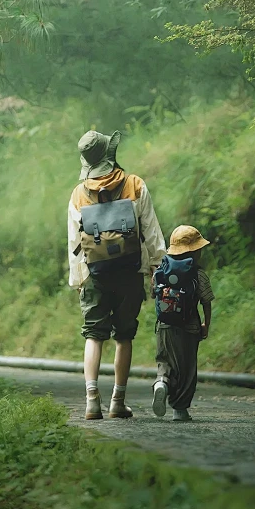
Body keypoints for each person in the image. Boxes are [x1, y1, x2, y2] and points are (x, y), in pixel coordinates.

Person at [68, 129, 165, 420]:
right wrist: (156, 270)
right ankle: (117, 402)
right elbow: (152, 233)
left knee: (94, 336)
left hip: (94, 274)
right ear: (110, 154)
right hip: (130, 271)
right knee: (124, 336)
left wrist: (79, 281)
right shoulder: (135, 184)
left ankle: (91, 401)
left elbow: (74, 243)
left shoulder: (78, 194)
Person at [151, 225, 215, 422]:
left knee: (165, 360)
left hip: (164, 326)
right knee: (186, 368)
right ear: (195, 251)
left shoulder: (160, 270)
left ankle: (161, 383)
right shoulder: (198, 274)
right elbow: (206, 302)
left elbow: (154, 294)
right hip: (189, 327)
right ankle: (180, 410)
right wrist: (206, 325)